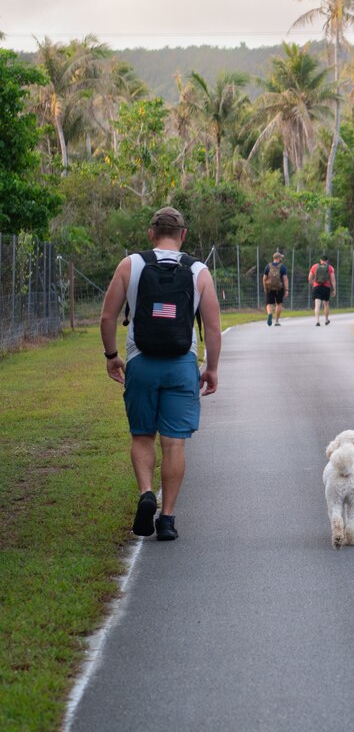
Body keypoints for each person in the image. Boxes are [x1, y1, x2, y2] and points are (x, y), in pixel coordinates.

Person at [99, 207, 222, 541]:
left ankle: (145, 493)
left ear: (151, 233)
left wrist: (112, 356)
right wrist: (210, 369)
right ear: (183, 235)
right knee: (174, 443)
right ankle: (166, 518)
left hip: (140, 361)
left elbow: (107, 318)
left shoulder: (131, 265)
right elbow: (212, 329)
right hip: (182, 365)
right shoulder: (199, 271)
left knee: (142, 436)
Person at [262, 251, 289, 326]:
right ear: (279, 258)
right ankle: (276, 321)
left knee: (269, 303)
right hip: (279, 288)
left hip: (269, 288)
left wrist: (265, 287)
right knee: (278, 304)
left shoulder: (268, 266)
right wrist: (286, 290)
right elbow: (285, 279)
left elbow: (264, 278)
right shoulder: (282, 267)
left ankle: (270, 314)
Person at [309, 255, 336, 326]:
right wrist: (334, 289)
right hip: (326, 287)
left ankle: (317, 321)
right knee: (326, 305)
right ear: (327, 261)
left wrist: (313, 285)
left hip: (316, 287)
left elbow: (309, 278)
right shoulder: (330, 268)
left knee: (317, 305)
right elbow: (333, 280)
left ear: (320, 260)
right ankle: (326, 320)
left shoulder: (314, 266)